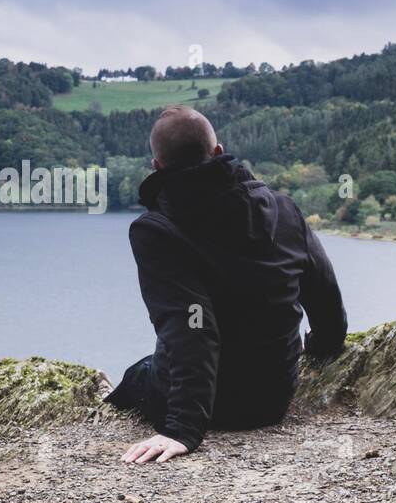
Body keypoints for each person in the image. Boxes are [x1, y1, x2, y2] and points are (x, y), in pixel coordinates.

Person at [107, 105, 346, 463]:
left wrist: (182, 429)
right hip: (272, 399)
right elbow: (325, 295)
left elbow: (192, 326)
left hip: (217, 408)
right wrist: (325, 345)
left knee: (135, 378)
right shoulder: (283, 208)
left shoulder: (156, 230)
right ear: (217, 152)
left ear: (157, 166)